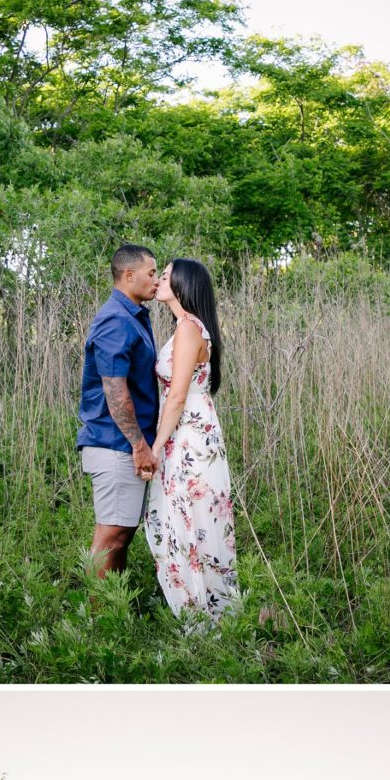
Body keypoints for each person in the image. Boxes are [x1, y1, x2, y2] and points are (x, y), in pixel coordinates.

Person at [142, 258, 240, 621]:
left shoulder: (188, 329)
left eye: (165, 275)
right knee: (189, 520)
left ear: (183, 284)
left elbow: (178, 396)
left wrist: (154, 447)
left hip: (187, 437)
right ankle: (202, 609)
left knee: (190, 519)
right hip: (189, 433)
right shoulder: (186, 327)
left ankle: (202, 614)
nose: (159, 280)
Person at [77, 244, 161, 578]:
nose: (156, 280)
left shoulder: (133, 316)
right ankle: (97, 623)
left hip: (123, 443)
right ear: (129, 275)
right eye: (151, 273)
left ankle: (115, 610)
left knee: (121, 536)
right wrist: (138, 445)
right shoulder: (116, 319)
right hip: (115, 444)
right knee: (111, 537)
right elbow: (114, 389)